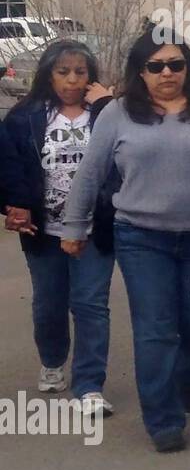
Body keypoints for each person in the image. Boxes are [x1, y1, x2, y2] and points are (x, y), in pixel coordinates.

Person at [62, 30, 190, 452]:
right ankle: (164, 420)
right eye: (155, 66)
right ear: (141, 71)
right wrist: (73, 228)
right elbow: (91, 172)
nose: (167, 73)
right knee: (155, 329)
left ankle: (185, 378)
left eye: (176, 64)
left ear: (188, 68)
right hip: (142, 240)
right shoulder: (117, 114)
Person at [3, 41, 117, 415]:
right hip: (44, 230)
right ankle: (52, 362)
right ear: (48, 75)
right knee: (49, 304)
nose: (71, 80)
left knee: (91, 304)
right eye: (63, 71)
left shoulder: (105, 114)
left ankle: (89, 385)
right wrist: (13, 205)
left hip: (93, 229)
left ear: (91, 76)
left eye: (80, 72)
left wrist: (105, 105)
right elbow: (9, 165)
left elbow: (126, 159)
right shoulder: (26, 116)